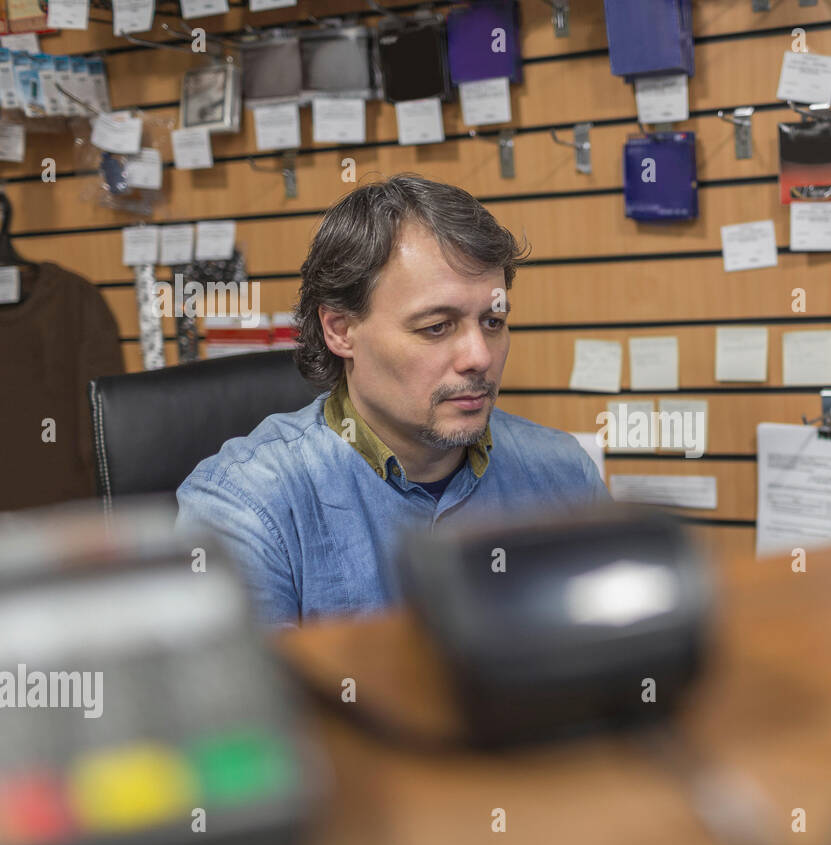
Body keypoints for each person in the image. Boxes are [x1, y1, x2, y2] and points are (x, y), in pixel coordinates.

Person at [177, 174, 611, 626]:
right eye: (436, 327)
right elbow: (242, 697)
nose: (479, 357)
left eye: (492, 322)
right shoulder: (245, 505)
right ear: (341, 330)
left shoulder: (564, 475)